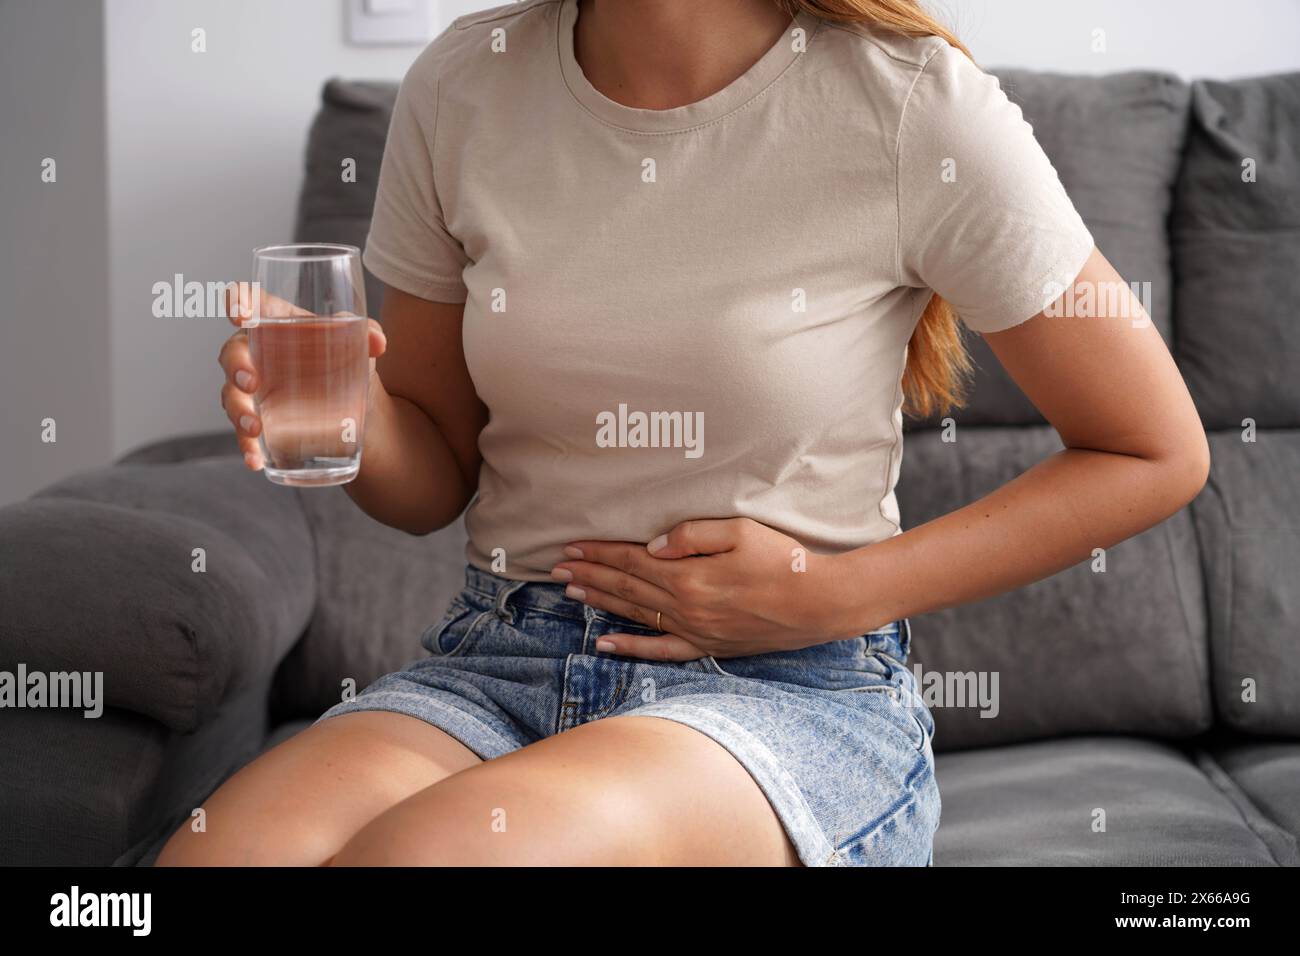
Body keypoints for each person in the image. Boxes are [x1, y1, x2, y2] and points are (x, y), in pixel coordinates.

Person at [160, 0, 1209, 867]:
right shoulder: (465, 80)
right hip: (499, 657)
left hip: (786, 693)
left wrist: (835, 589)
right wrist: (358, 417)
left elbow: (1152, 448)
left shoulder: (909, 101)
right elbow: (431, 473)